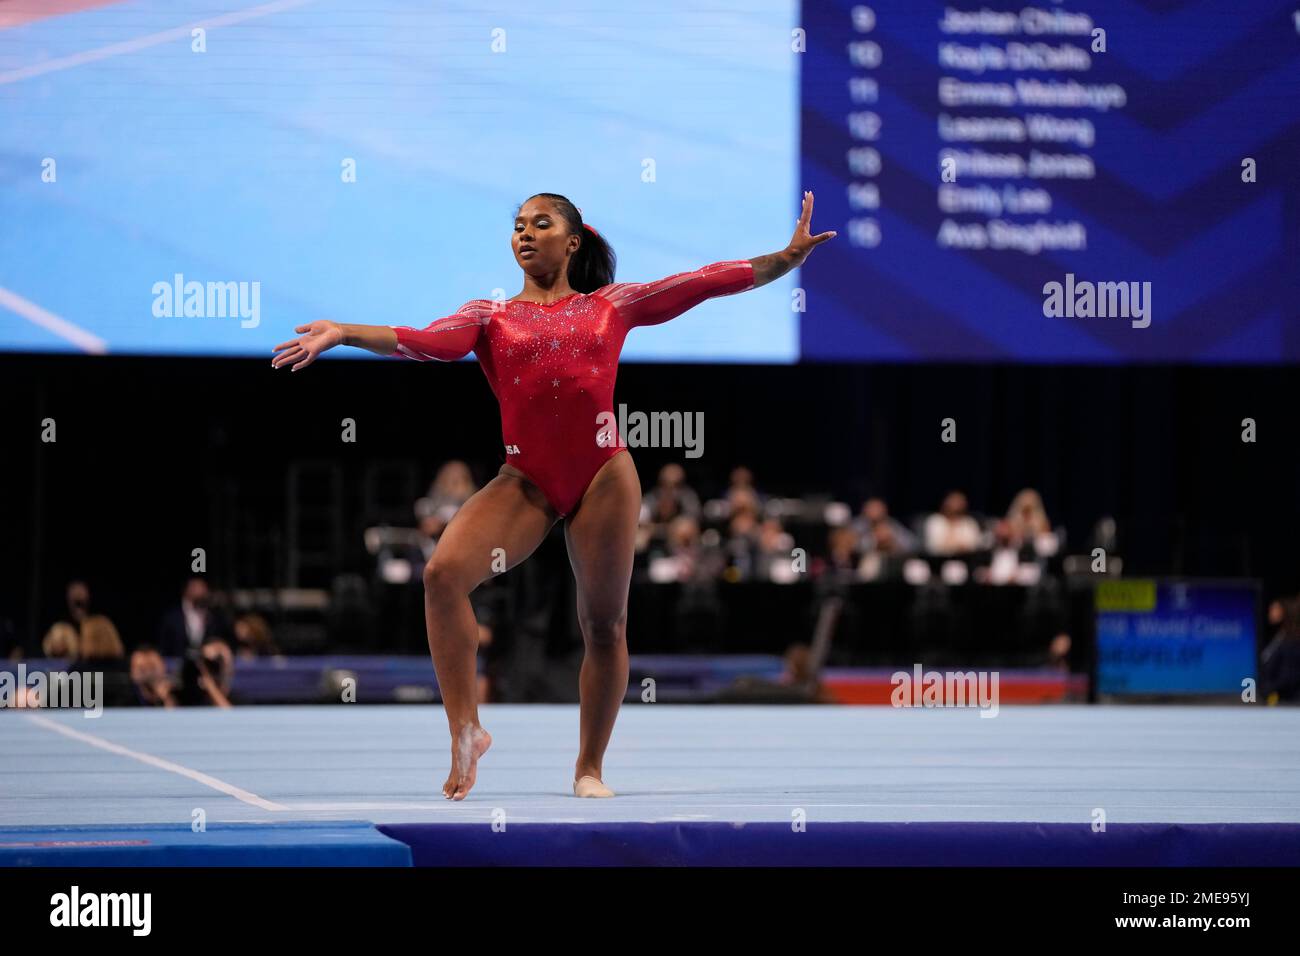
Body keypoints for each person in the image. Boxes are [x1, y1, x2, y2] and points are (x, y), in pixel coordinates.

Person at [272, 190, 836, 799]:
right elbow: (428, 341)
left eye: (540, 223)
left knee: (603, 625)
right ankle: (466, 729)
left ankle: (589, 767)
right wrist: (344, 332)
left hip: (603, 477)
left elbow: (699, 282)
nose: (524, 233)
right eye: (517, 226)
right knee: (441, 575)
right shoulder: (489, 316)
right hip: (526, 480)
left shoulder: (611, 306)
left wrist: (784, 259)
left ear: (571, 242)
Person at [158, 577, 232, 657]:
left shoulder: (214, 616)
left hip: (206, 664)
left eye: (204, 587)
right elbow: (163, 645)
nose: (203, 591)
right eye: (197, 587)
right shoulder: (172, 617)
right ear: (187, 589)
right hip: (177, 664)